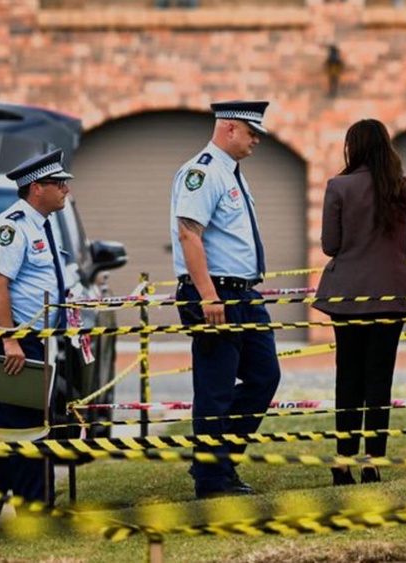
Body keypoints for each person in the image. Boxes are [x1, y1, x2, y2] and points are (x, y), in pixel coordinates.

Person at [170, 100, 282, 499]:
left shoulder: (230, 173)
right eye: (251, 133)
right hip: (217, 294)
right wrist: (208, 296)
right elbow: (189, 235)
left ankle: (216, 458)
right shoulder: (202, 172)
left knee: (265, 376)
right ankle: (213, 481)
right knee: (215, 389)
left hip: (243, 295)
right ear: (230, 128)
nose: (255, 141)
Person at [313, 119, 406, 486]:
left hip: (348, 296)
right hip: (391, 292)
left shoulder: (338, 186)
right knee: (380, 379)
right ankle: (373, 461)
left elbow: (331, 244)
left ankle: (343, 462)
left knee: (349, 378)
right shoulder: (402, 188)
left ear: (353, 147)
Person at [0, 148, 74, 511]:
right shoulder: (11, 226)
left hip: (32, 337)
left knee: (13, 422)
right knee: (25, 425)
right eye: (58, 183)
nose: (65, 189)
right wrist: (9, 340)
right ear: (35, 188)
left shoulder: (40, 226)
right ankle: (35, 507)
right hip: (11, 335)